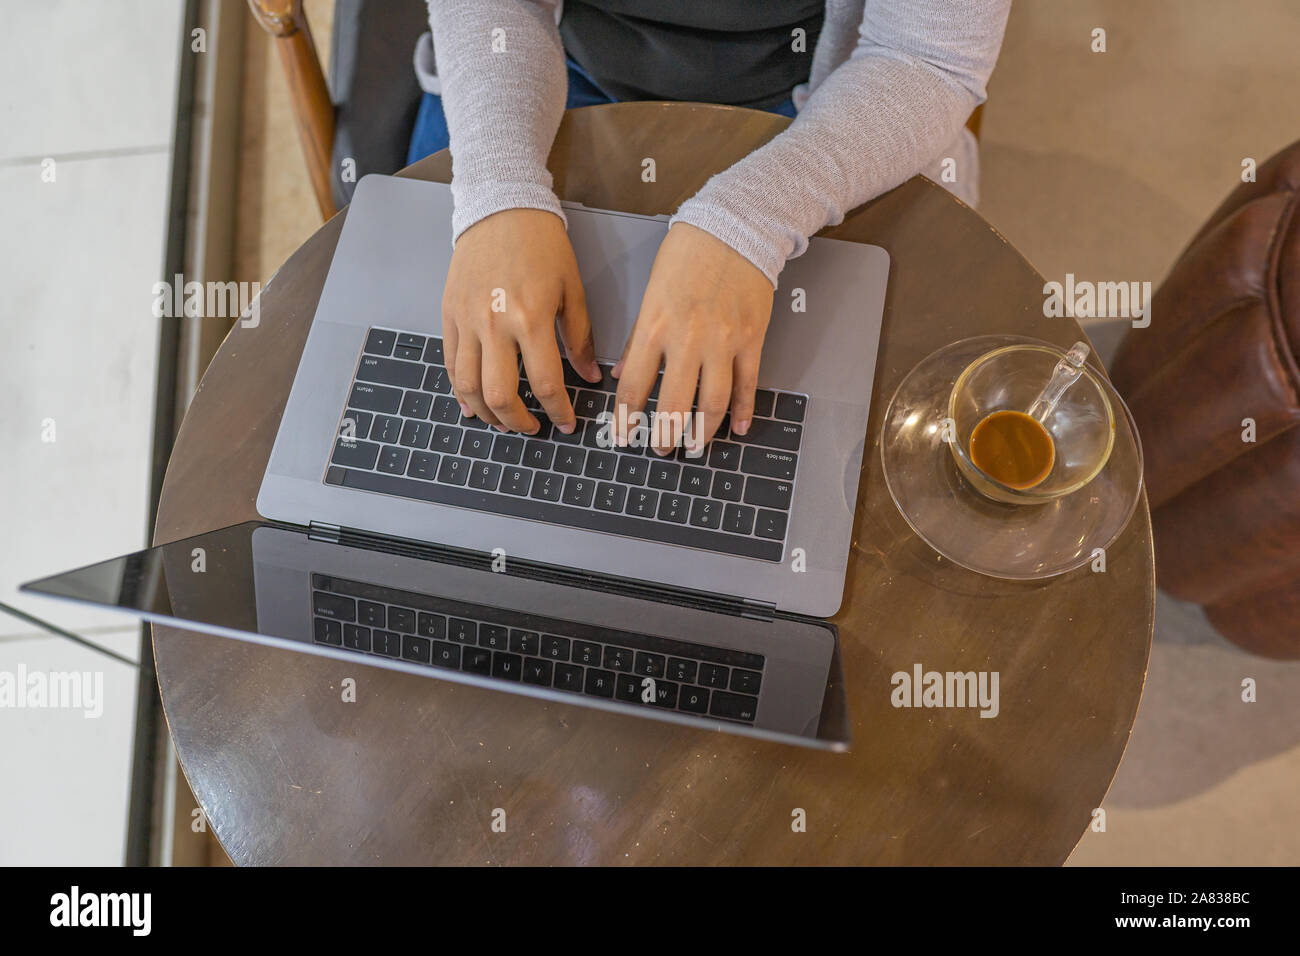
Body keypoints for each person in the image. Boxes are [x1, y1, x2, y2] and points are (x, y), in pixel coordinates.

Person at [410, 0, 1010, 455]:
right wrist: (500, 190)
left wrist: (744, 222)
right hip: (537, 65)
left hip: (833, 99)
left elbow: (928, 55)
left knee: (862, 430)